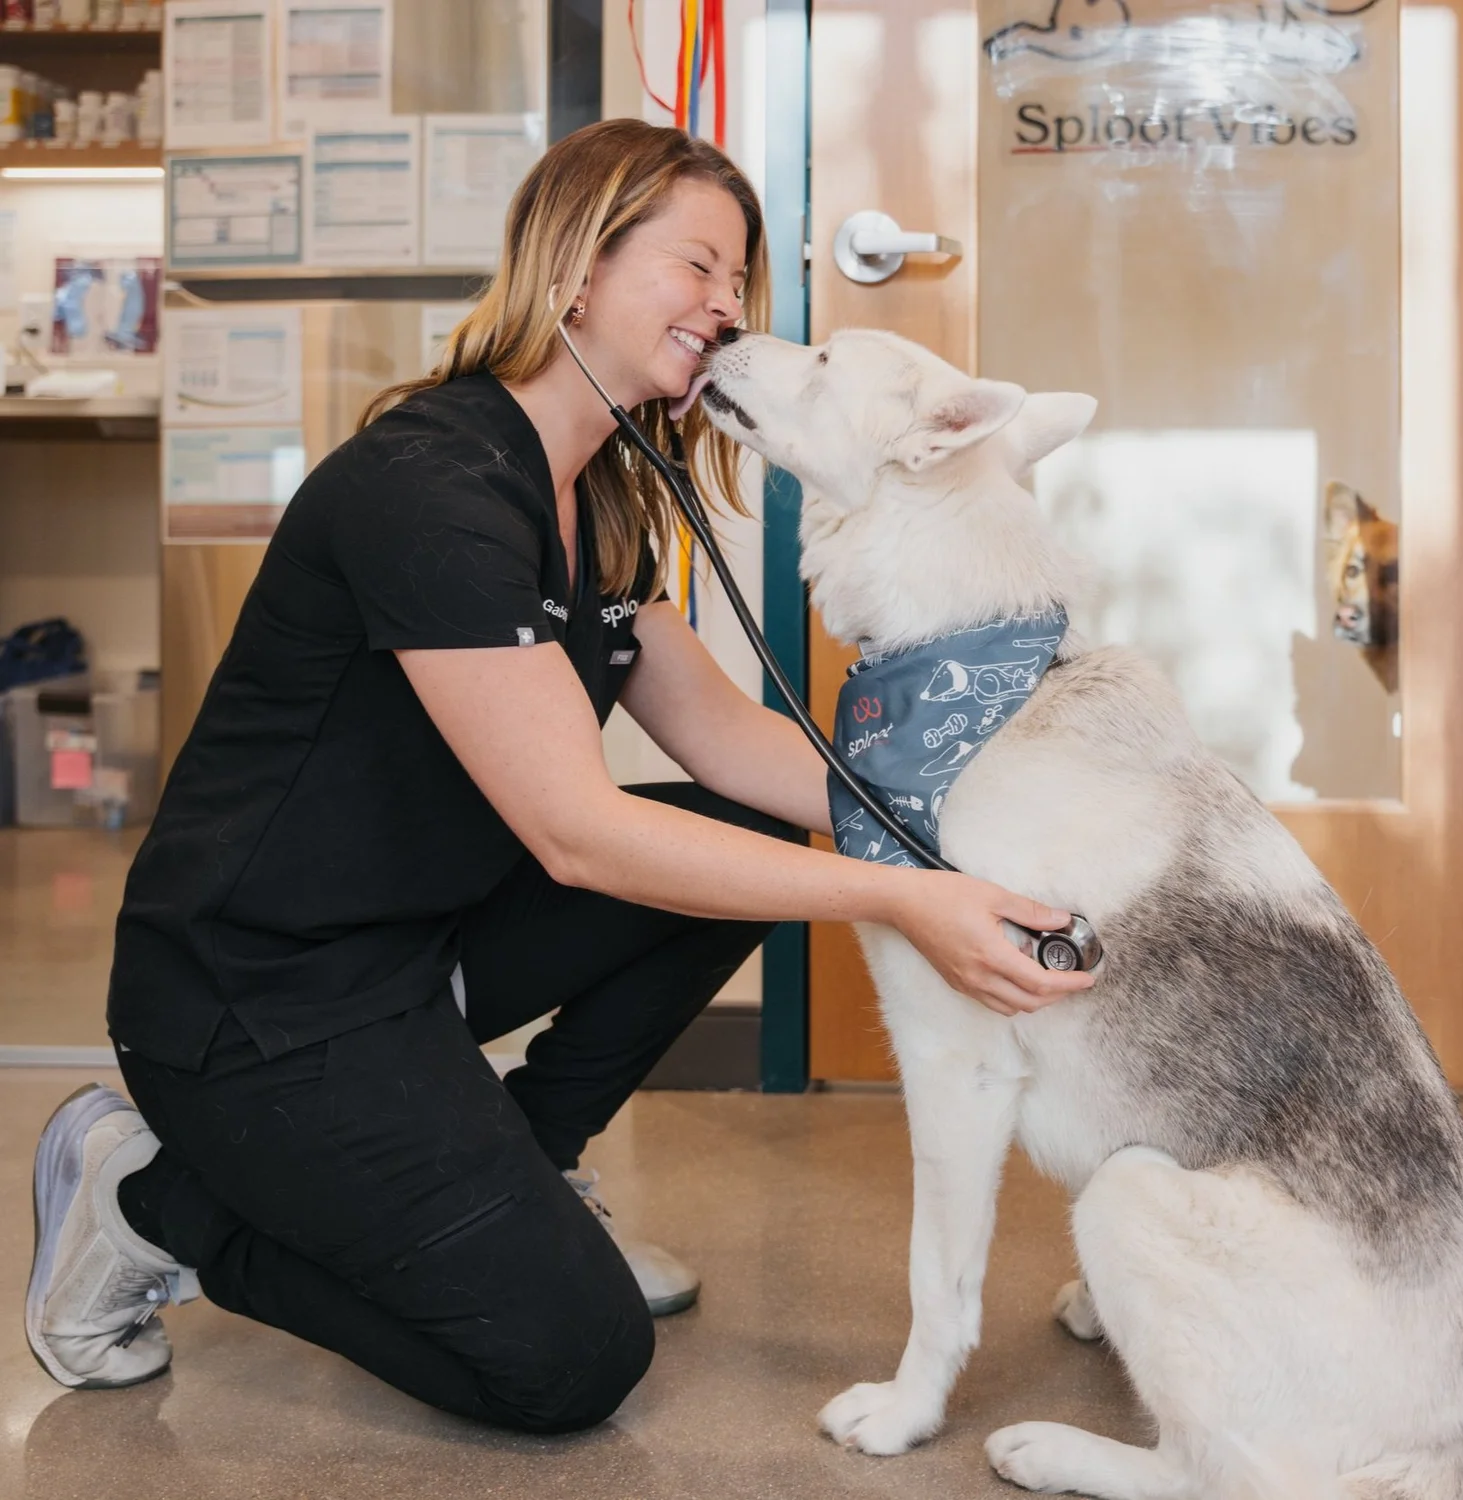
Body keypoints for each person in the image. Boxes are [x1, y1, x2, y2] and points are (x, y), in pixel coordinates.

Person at [24, 119, 1093, 1432]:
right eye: (696, 264)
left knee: (732, 838)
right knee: (567, 1361)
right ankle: (149, 1201)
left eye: (740, 282)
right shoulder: (432, 489)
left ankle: (527, 1172)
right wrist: (904, 900)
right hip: (255, 997)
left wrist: (969, 830)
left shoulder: (602, 493)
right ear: (577, 265)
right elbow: (579, 835)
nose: (725, 306)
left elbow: (731, 750)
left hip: (415, 950)